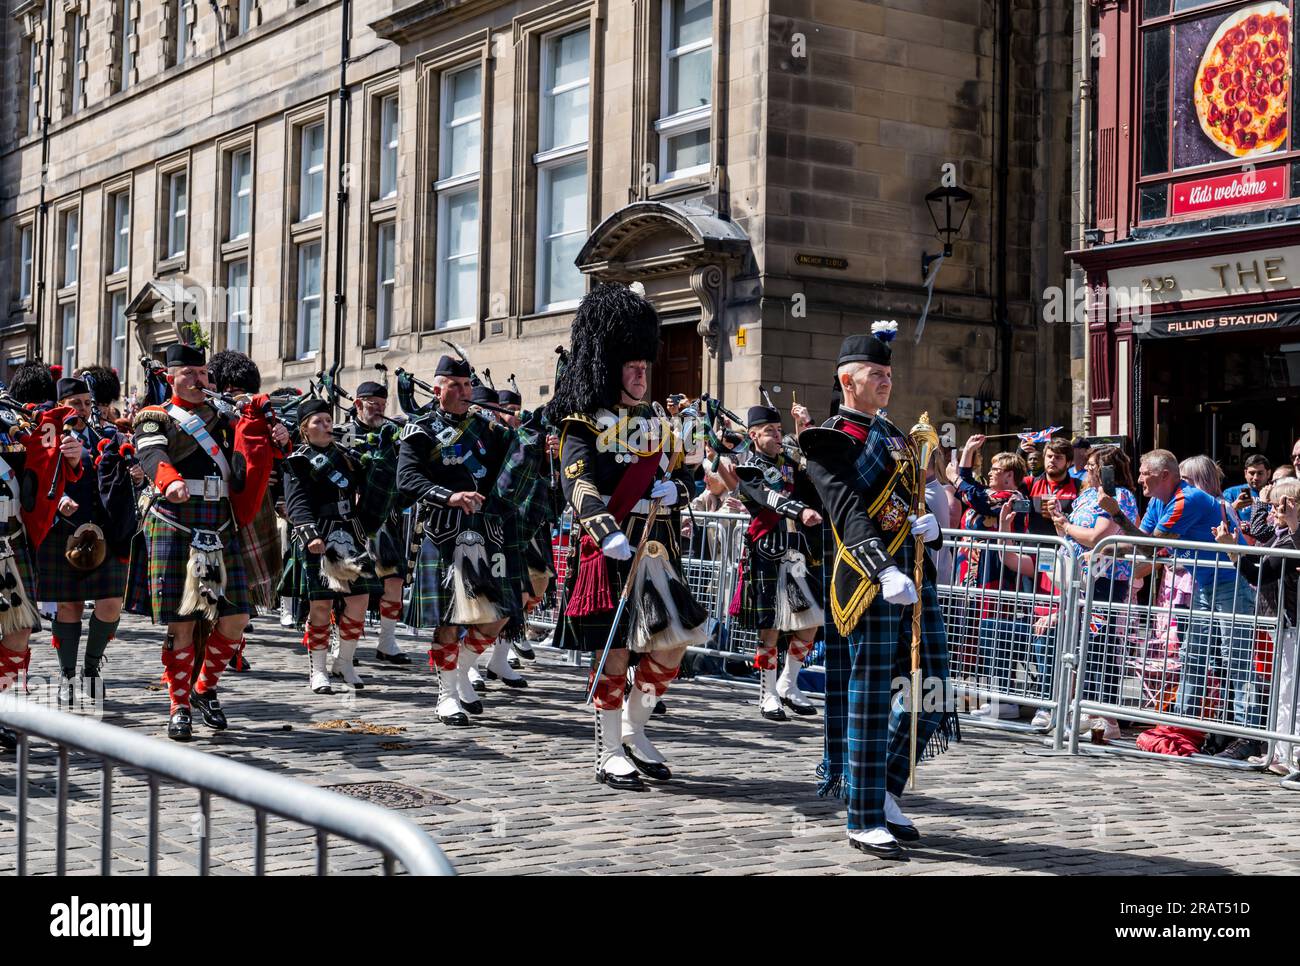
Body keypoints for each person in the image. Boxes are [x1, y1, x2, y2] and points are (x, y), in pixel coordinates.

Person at [801, 323, 954, 859]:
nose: (886, 381)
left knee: (934, 689)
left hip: (914, 576)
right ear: (848, 380)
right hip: (868, 582)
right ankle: (862, 817)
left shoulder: (892, 434)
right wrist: (883, 570)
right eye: (876, 374)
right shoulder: (826, 441)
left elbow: (912, 498)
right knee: (868, 699)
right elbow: (845, 510)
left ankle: (886, 789)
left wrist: (932, 530)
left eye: (889, 374)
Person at [550, 282, 704, 791]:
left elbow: (695, 476)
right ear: (610, 366)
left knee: (671, 648)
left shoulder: (659, 422)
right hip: (612, 546)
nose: (641, 375)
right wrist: (603, 526)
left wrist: (675, 486)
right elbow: (577, 479)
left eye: (645, 366)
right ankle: (608, 749)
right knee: (614, 653)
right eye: (632, 367)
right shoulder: (584, 422)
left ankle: (637, 730)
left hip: (659, 549)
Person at [131, 344, 274, 741]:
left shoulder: (225, 417)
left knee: (235, 618)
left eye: (204, 374)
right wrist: (168, 479)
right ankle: (178, 705)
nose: (199, 381)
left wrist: (268, 430)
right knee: (182, 622)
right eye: (189, 374)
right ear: (170, 378)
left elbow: (247, 455)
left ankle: (204, 688)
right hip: (174, 518)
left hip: (219, 520)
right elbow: (150, 451)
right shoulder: (154, 416)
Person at [1098, 450, 1261, 759]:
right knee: (1193, 655)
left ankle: (1247, 736)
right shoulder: (1158, 501)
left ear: (1164, 475)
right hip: (1204, 584)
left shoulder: (1188, 499)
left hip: (1231, 582)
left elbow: (1154, 545)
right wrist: (1103, 550)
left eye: (1144, 472)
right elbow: (1145, 547)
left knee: (1236, 659)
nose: (1140, 477)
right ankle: (1181, 725)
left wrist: (1117, 516)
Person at [397, 355, 519, 726]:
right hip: (443, 530)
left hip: (486, 532)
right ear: (437, 390)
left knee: (500, 614)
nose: (466, 392)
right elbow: (406, 479)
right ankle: (446, 695)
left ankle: (464, 666)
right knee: (449, 619)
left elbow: (511, 468)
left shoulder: (486, 430)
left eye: (468, 385)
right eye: (456, 385)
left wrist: (519, 434)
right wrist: (448, 496)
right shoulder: (420, 430)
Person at [39, 376, 138, 708]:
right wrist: (60, 500)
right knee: (70, 607)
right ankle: (67, 675)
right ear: (60, 407)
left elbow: (118, 478)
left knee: (110, 604)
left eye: (86, 403)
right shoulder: (46, 439)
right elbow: (39, 481)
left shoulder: (106, 438)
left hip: (104, 533)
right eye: (75, 404)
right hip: (63, 532)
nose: (82, 410)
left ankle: (91, 667)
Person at [281, 398, 382, 693]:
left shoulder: (349, 457)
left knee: (359, 601)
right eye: (318, 422)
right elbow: (297, 502)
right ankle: (318, 670)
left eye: (328, 420)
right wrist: (310, 535)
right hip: (320, 535)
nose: (327, 426)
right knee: (321, 605)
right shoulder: (297, 460)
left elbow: (372, 488)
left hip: (350, 531)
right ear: (305, 429)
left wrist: (379, 461)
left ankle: (345, 661)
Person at [732, 402, 824, 721]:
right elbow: (767, 497)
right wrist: (799, 511)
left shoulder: (788, 461)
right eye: (770, 431)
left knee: (811, 620)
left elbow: (812, 474)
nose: (776, 435)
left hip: (795, 549)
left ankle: (788, 683)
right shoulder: (748, 467)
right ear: (753, 435)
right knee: (769, 626)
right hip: (766, 550)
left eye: (779, 430)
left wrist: (804, 429)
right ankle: (768, 693)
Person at [0, 362, 74, 750]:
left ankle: (4, 709)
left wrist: (71, 455)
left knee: (19, 630)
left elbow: (42, 466)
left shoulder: (16, 416)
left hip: (10, 535)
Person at [205, 350, 293, 672]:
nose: (239, 394)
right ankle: (220, 646)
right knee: (218, 581)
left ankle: (234, 646)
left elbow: (279, 454)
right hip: (215, 504)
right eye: (233, 388)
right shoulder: (210, 414)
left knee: (241, 582)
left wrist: (282, 438)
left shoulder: (254, 413)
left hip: (252, 503)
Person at [1046, 444, 1139, 738]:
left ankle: (1104, 713)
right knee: (1081, 641)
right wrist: (1060, 521)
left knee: (1099, 640)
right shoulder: (1086, 495)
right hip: (1080, 576)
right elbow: (1072, 534)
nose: (1086, 469)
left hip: (1106, 577)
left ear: (1106, 469)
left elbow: (1098, 536)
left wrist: (1067, 527)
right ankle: (1088, 706)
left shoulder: (1118, 496)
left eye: (1092, 465)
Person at [348, 380, 412, 666]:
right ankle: (343, 642)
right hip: (352, 519)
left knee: (395, 579)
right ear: (358, 403)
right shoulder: (345, 433)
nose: (378, 410)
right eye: (373, 404)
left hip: (387, 518)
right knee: (349, 582)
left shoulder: (392, 435)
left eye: (383, 405)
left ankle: (387, 640)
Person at [1225, 453, 1269, 524]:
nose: (1256, 478)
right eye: (1252, 473)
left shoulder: (1274, 493)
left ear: (1268, 473)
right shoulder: (1231, 493)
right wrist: (1233, 507)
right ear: (1245, 473)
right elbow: (1219, 517)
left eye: (1260, 473)